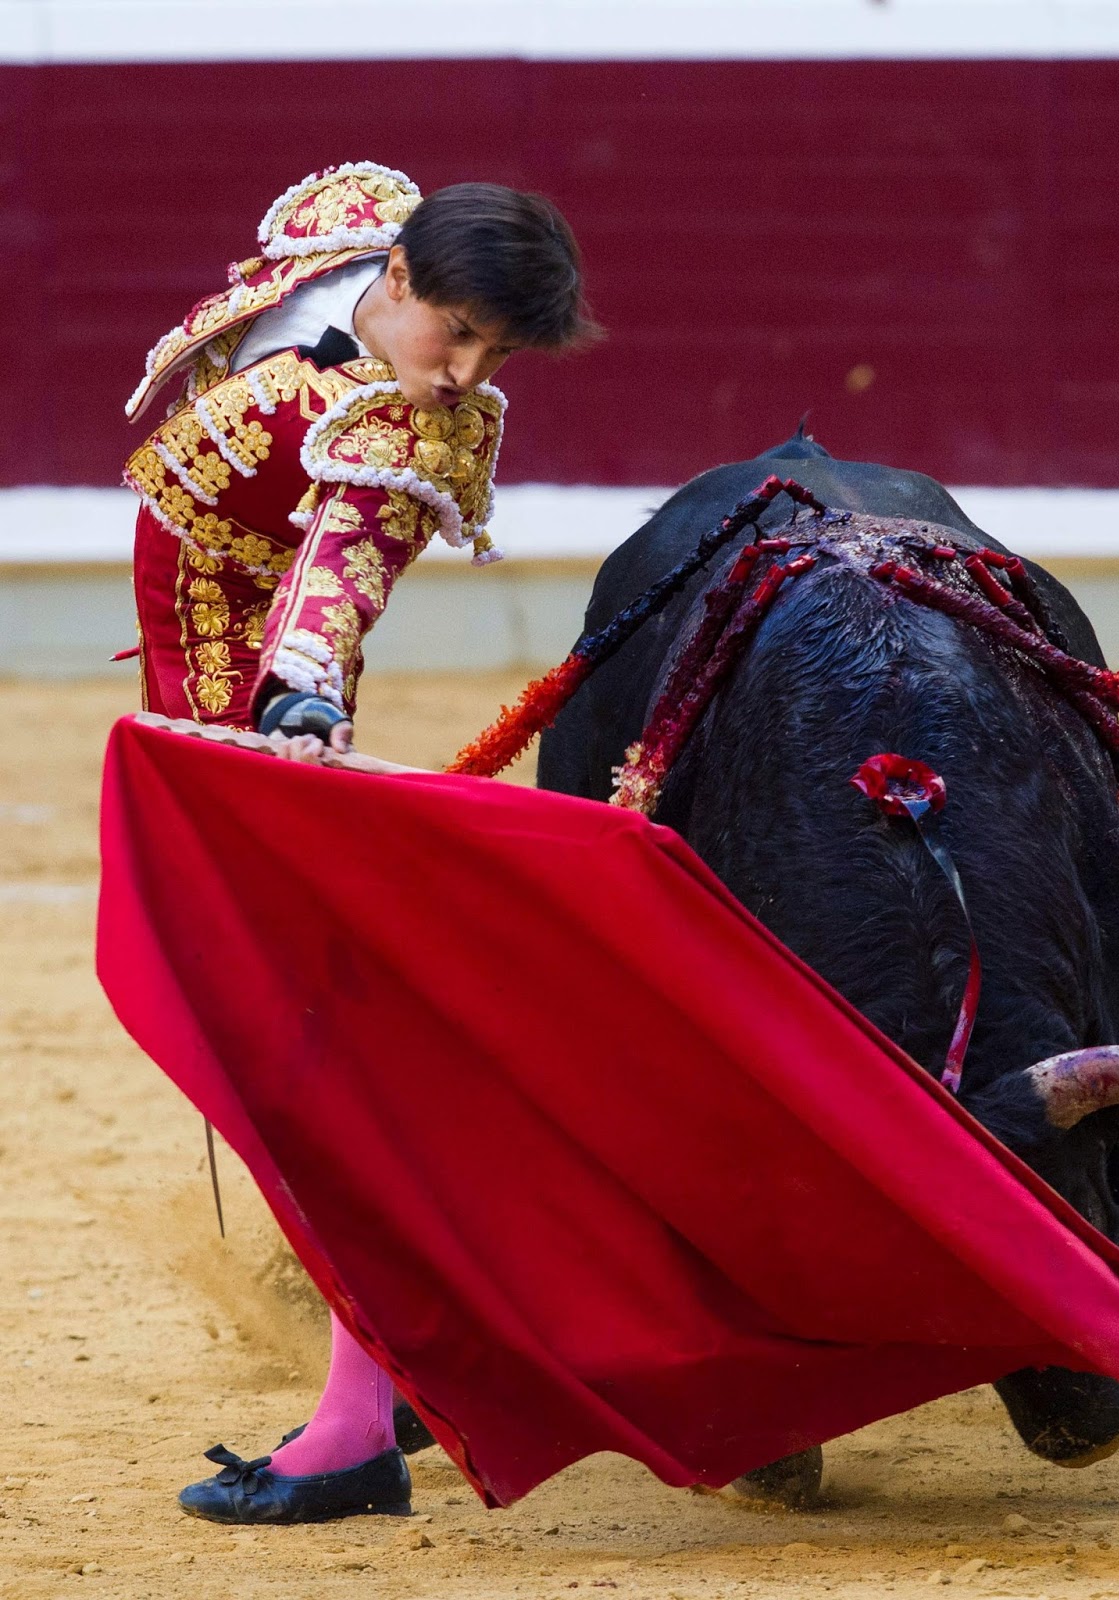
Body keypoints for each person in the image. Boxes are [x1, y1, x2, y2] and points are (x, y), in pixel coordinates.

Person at [122, 160, 597, 1522]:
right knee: (293, 1053)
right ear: (392, 275)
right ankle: (415, 1361)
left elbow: (342, 567)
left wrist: (304, 693)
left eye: (498, 355)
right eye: (460, 334)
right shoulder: (349, 236)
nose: (467, 377)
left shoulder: (401, 430)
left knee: (303, 1065)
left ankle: (359, 1426)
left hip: (250, 727)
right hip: (192, 709)